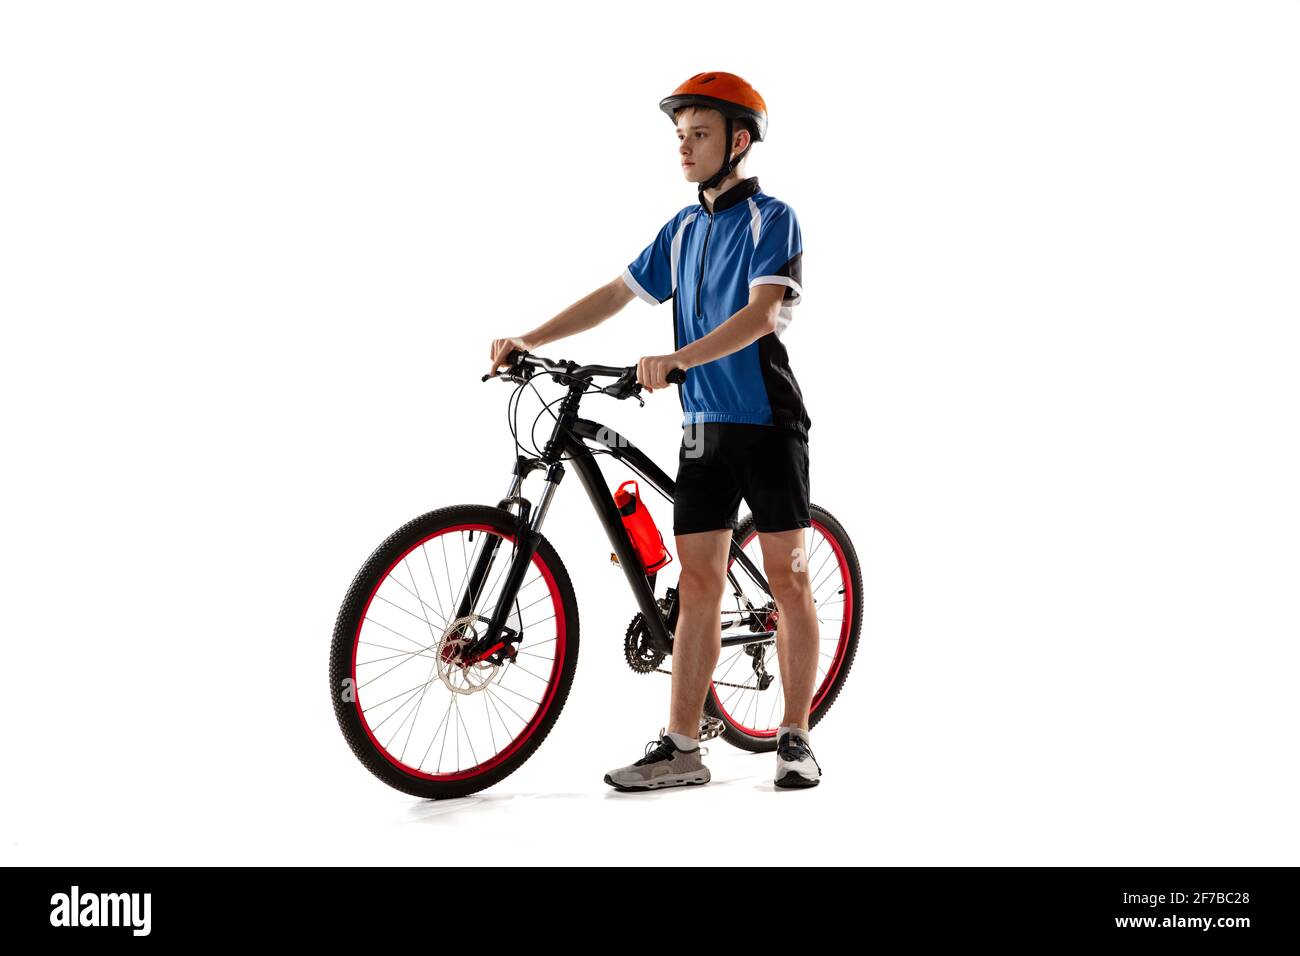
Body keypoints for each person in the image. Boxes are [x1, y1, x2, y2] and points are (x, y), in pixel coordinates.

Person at [488, 71, 822, 791]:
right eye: (679, 136)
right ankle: (682, 747)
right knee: (698, 583)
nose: (685, 147)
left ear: (738, 142)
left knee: (790, 580)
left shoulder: (774, 219)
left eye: (699, 134)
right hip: (701, 423)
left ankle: (795, 734)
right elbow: (616, 293)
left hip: (766, 420)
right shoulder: (680, 230)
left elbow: (763, 315)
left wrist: (677, 358)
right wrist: (529, 335)